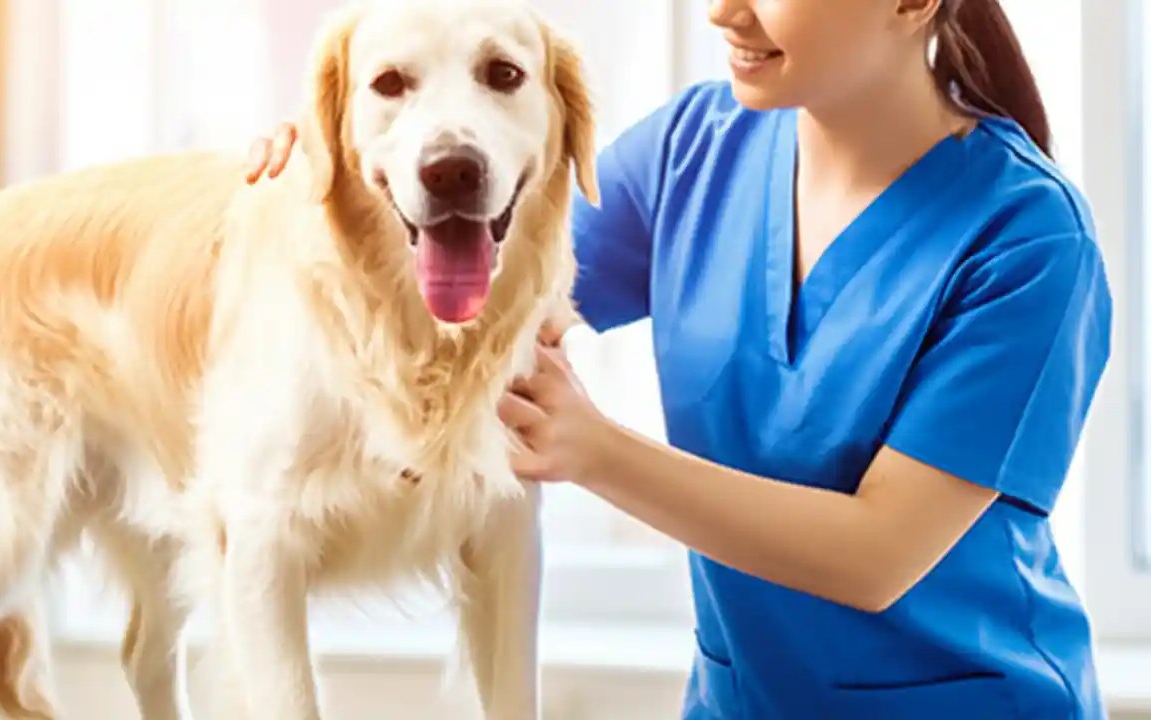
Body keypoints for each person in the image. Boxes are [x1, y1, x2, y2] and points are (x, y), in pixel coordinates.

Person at [246, 0, 1112, 717]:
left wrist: (595, 452)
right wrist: (356, 166)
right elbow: (481, 295)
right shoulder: (697, 149)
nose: (722, 11)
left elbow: (877, 554)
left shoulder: (1028, 241)